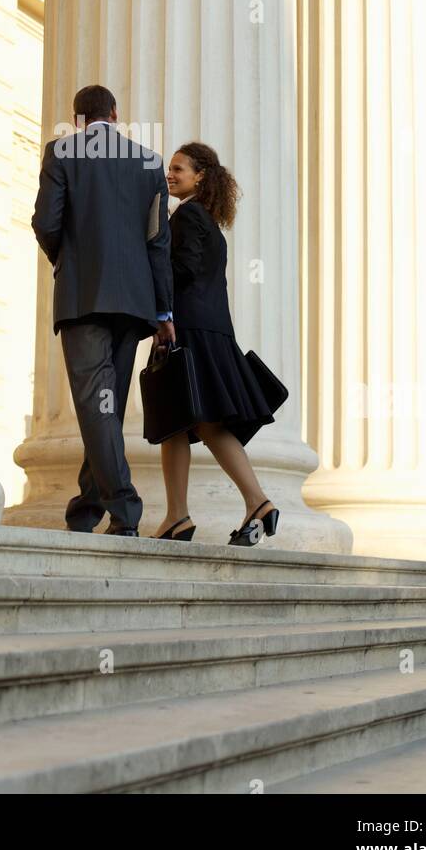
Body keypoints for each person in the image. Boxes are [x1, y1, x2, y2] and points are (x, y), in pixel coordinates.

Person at [31, 84, 174, 537]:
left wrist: (67, 261)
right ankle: (85, 511)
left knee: (96, 407)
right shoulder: (150, 162)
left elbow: (45, 222)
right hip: (135, 305)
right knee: (104, 407)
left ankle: (125, 511)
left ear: (78, 121)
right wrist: (165, 312)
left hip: (84, 298)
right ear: (115, 113)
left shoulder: (62, 152)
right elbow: (158, 244)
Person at [152, 142, 280, 546]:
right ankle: (178, 516)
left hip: (188, 331)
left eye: (178, 168)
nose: (170, 174)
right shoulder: (207, 219)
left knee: (198, 423)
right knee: (185, 424)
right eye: (169, 168)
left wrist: (161, 310)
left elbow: (183, 269)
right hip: (210, 330)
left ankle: (255, 503)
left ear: (200, 175)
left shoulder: (187, 216)